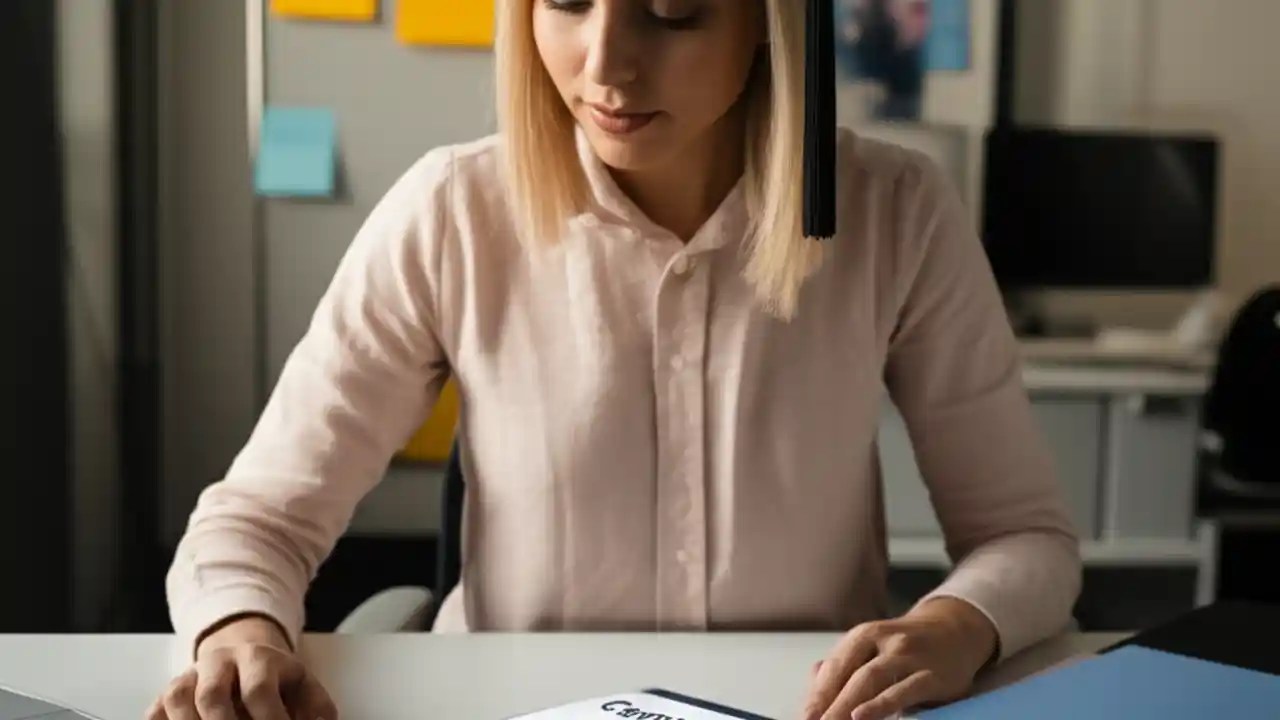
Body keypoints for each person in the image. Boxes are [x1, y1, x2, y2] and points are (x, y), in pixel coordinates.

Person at [150, 0, 1081, 718]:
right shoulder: (451, 211)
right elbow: (257, 520)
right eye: (563, 2)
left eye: (671, 12)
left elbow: (1025, 539)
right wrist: (241, 629)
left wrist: (957, 626)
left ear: (771, 18)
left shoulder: (898, 210)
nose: (604, 65)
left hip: (797, 704)